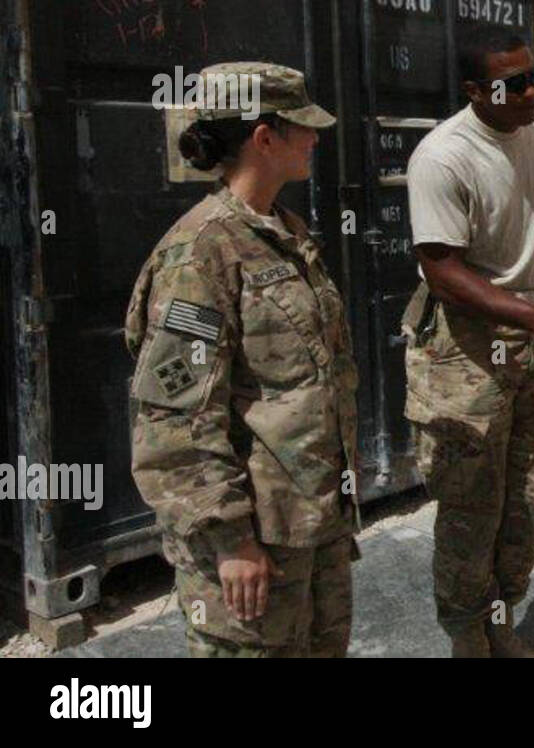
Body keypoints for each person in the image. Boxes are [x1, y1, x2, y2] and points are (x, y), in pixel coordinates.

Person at [125, 62, 360, 657]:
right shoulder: (201, 255)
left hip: (311, 522)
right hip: (252, 540)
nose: (315, 139)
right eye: (303, 127)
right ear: (264, 137)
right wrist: (231, 541)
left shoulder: (284, 230)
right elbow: (175, 419)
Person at [401, 28, 534, 658]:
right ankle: (468, 640)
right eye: (512, 84)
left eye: (533, 76)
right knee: (471, 507)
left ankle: (501, 624)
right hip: (463, 347)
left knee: (528, 498)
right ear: (473, 90)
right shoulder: (443, 157)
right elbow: (443, 271)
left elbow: (528, 241)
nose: (529, 92)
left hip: (528, 339)